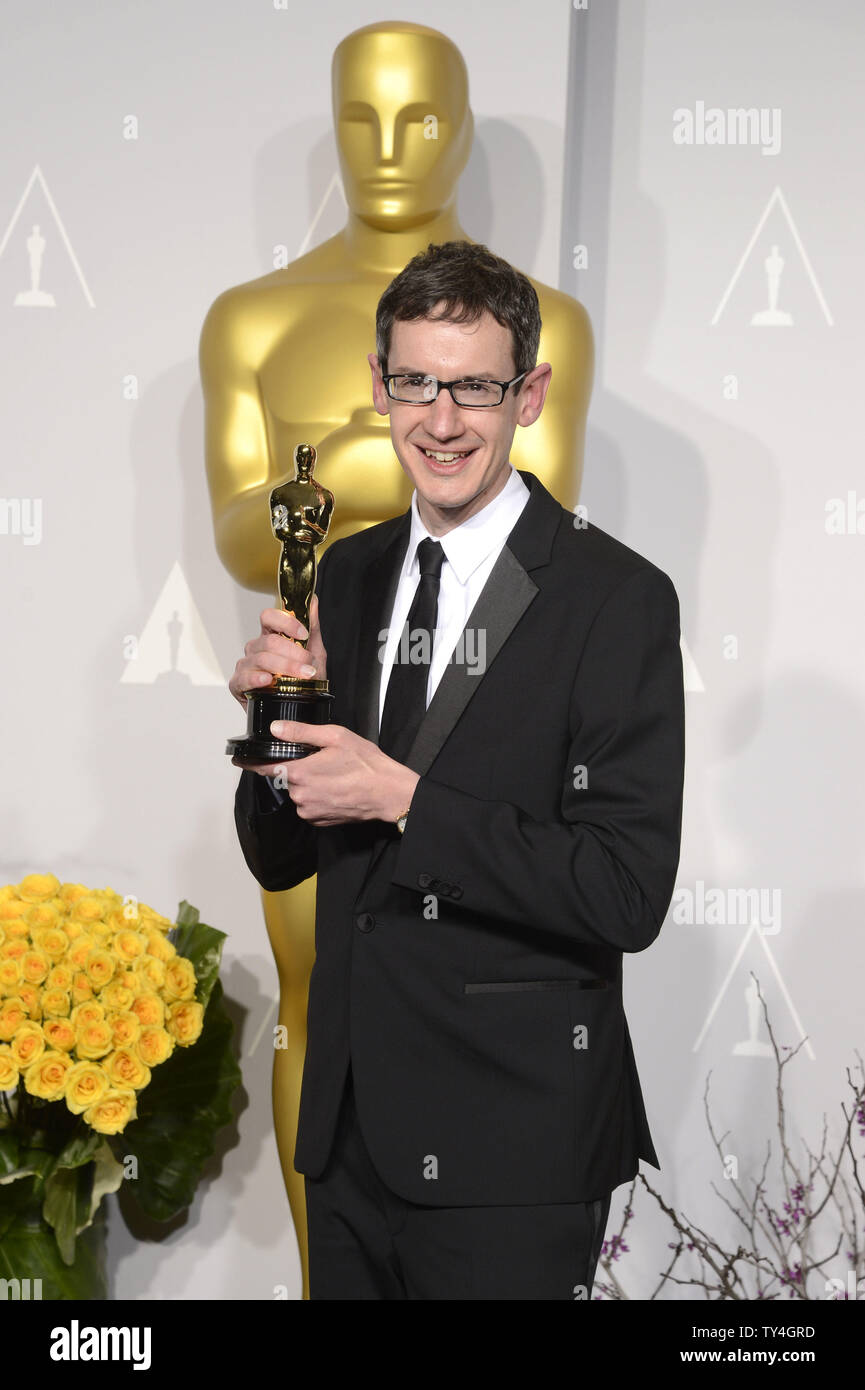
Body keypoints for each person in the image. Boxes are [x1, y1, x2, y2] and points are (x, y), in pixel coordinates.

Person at [230, 240, 685, 1300]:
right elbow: (281, 854)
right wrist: (272, 728)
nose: (441, 420)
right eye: (415, 382)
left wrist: (403, 799)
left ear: (528, 394)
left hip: (511, 1149)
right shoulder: (345, 570)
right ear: (377, 386)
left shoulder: (613, 598)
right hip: (347, 1143)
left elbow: (623, 890)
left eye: (474, 386)